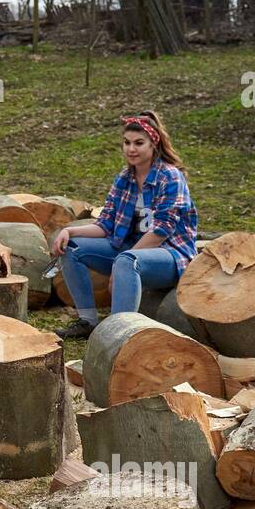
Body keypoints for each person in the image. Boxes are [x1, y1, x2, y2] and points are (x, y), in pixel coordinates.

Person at [51, 110, 198, 340]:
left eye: (139, 143)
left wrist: (124, 259)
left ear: (153, 144)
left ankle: (119, 335)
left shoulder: (170, 177)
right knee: (73, 249)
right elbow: (106, 224)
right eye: (127, 143)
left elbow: (161, 230)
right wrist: (69, 230)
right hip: (130, 251)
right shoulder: (124, 179)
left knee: (127, 261)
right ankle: (88, 321)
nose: (131, 149)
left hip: (170, 256)